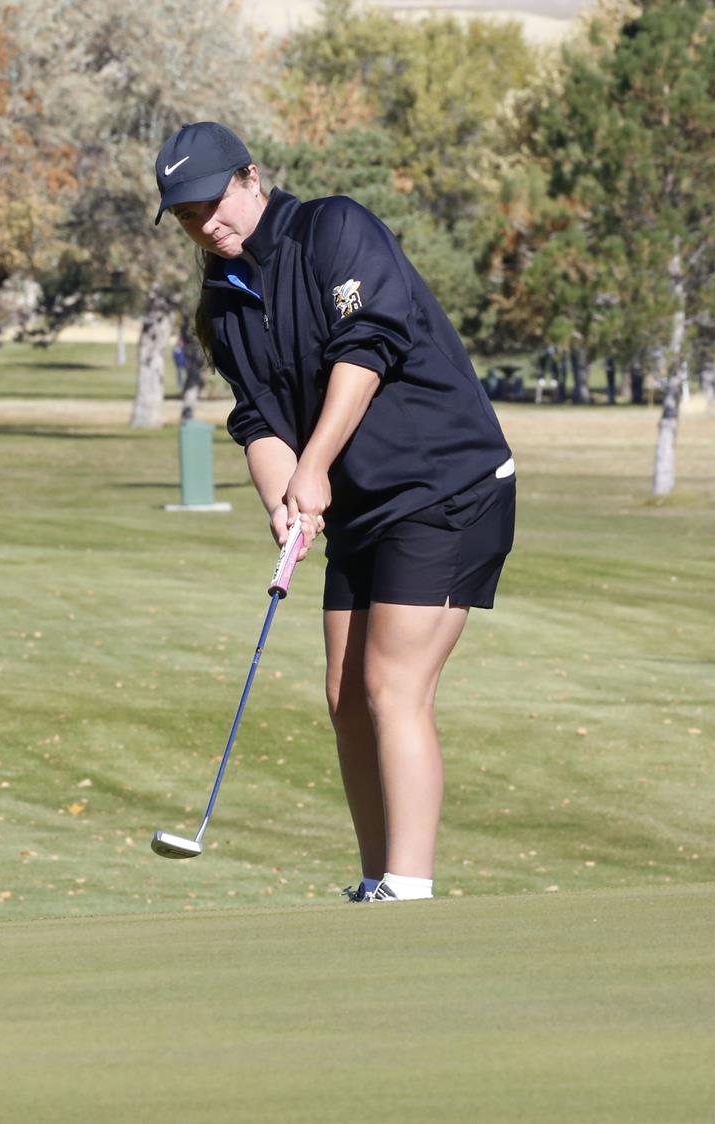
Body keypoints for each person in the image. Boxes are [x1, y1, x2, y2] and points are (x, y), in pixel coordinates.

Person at [155, 121, 517, 903]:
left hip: (444, 483)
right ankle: (374, 877)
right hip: (361, 506)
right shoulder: (223, 302)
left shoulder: (333, 229)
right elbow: (258, 420)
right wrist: (284, 500)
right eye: (186, 216)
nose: (205, 224)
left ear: (251, 178)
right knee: (345, 696)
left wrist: (314, 467)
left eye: (212, 203)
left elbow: (367, 349)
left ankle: (409, 886)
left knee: (391, 684)